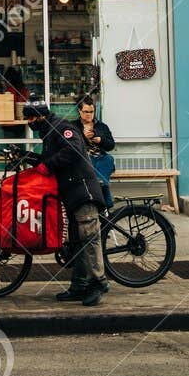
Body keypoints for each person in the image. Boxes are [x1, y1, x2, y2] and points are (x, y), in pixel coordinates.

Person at [29, 97, 113, 306]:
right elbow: (49, 159)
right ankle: (79, 286)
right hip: (71, 192)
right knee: (77, 240)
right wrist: (27, 157)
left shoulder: (61, 127)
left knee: (89, 236)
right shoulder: (49, 132)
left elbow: (73, 149)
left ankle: (98, 282)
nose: (28, 122)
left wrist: (47, 166)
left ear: (40, 115)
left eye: (30, 117)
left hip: (82, 190)